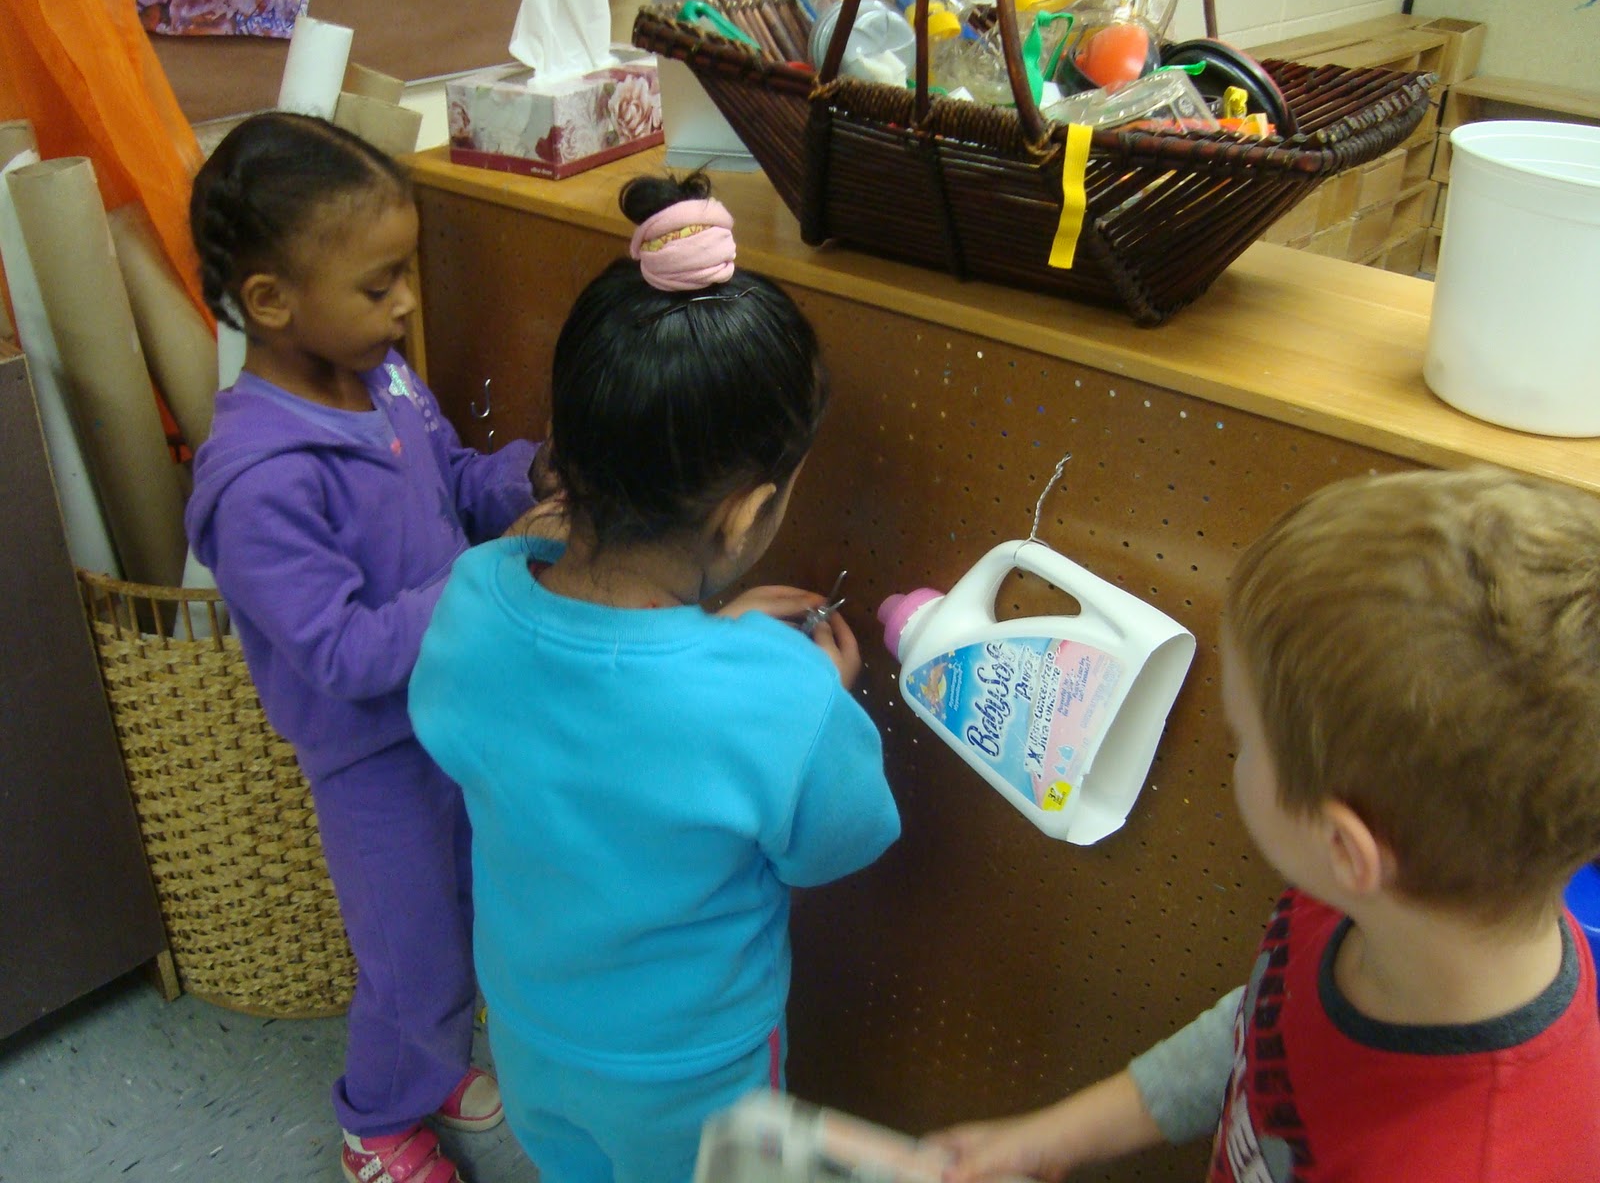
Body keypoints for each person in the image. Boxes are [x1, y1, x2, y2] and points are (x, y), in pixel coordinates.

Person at [408, 172, 902, 1183]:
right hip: (694, 1075)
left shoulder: (473, 597)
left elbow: (515, 705)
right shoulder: (785, 698)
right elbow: (836, 847)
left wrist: (706, 640)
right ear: (745, 514)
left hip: (534, 1036)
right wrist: (794, 685)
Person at [933, 466, 1600, 1182]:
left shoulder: (1473, 1161)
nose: (1235, 756)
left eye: (1244, 739)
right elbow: (1267, 1030)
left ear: (1344, 846)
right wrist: (1053, 1140)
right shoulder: (1374, 900)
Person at [184, 112, 542, 1183]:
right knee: (408, 957)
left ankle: (432, 1065)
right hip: (375, 763)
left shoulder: (381, 377)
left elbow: (455, 482)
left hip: (458, 716)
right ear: (270, 301)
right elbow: (340, 651)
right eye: (379, 285)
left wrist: (531, 478)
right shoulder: (258, 481)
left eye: (405, 275)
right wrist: (491, 574)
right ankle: (378, 1118)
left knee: (471, 914)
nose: (407, 304)